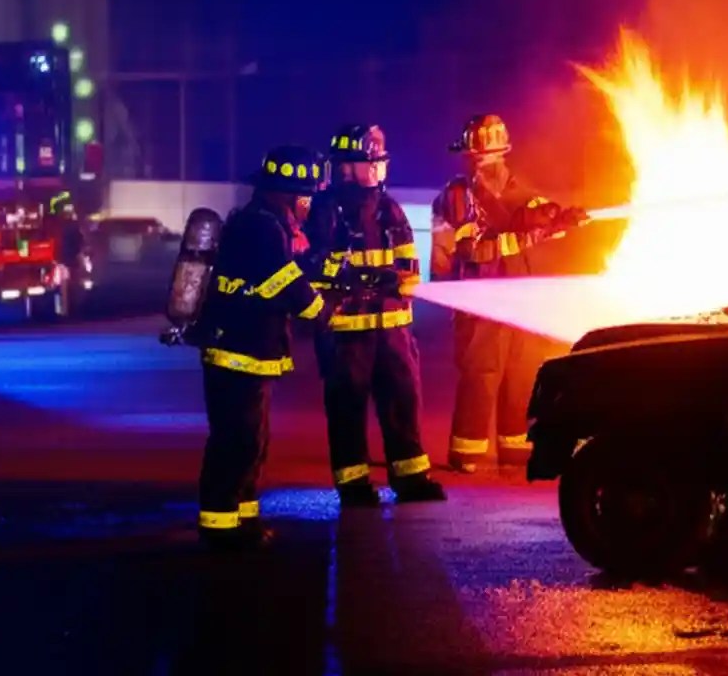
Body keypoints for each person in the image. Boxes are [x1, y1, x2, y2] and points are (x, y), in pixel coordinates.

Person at [431, 114, 588, 473]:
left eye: (490, 158)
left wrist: (561, 219)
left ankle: (514, 448)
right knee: (481, 374)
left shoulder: (520, 191)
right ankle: (467, 452)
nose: (484, 165)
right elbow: (471, 252)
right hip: (480, 299)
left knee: (522, 372)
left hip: (520, 298)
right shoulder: (456, 198)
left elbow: (539, 213)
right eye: (479, 158)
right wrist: (531, 235)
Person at [193, 145, 331, 550]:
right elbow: (285, 283)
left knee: (252, 440)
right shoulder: (263, 228)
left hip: (247, 349)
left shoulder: (261, 224)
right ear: (289, 194)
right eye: (306, 196)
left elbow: (275, 280)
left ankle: (244, 519)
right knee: (236, 439)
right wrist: (322, 310)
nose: (309, 205)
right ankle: (220, 529)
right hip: (239, 351)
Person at [304, 123, 445, 506]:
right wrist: (361, 277)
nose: (379, 168)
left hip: (394, 331)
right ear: (349, 167)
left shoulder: (389, 209)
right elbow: (313, 266)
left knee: (403, 400)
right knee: (347, 407)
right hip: (346, 333)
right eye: (373, 162)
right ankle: (353, 486)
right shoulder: (324, 211)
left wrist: (401, 281)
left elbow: (409, 267)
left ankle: (412, 479)